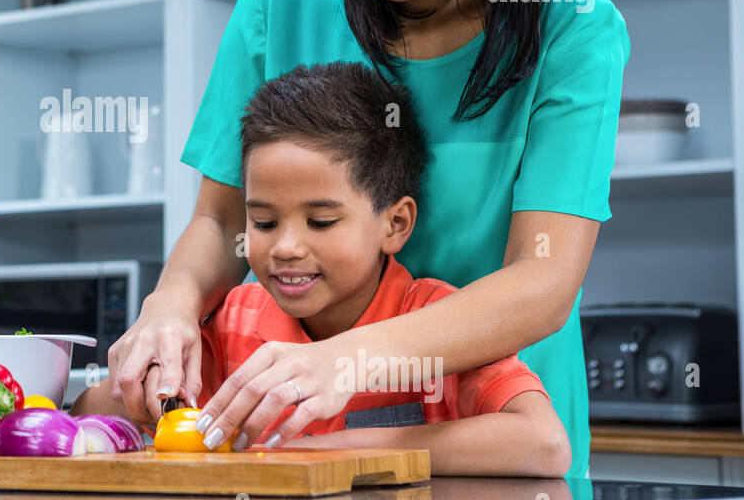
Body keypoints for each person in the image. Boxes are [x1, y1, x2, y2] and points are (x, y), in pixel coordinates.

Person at [105, 0, 629, 479]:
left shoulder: (573, 29)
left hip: (488, 448)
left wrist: (344, 364)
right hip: (304, 452)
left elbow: (541, 280)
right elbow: (221, 224)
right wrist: (170, 305)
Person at [73, 62, 570, 476]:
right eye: (264, 220)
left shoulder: (434, 318)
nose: (285, 247)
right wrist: (142, 382)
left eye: (321, 221)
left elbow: (543, 444)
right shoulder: (231, 326)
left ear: (395, 224)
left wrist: (319, 454)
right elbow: (89, 416)